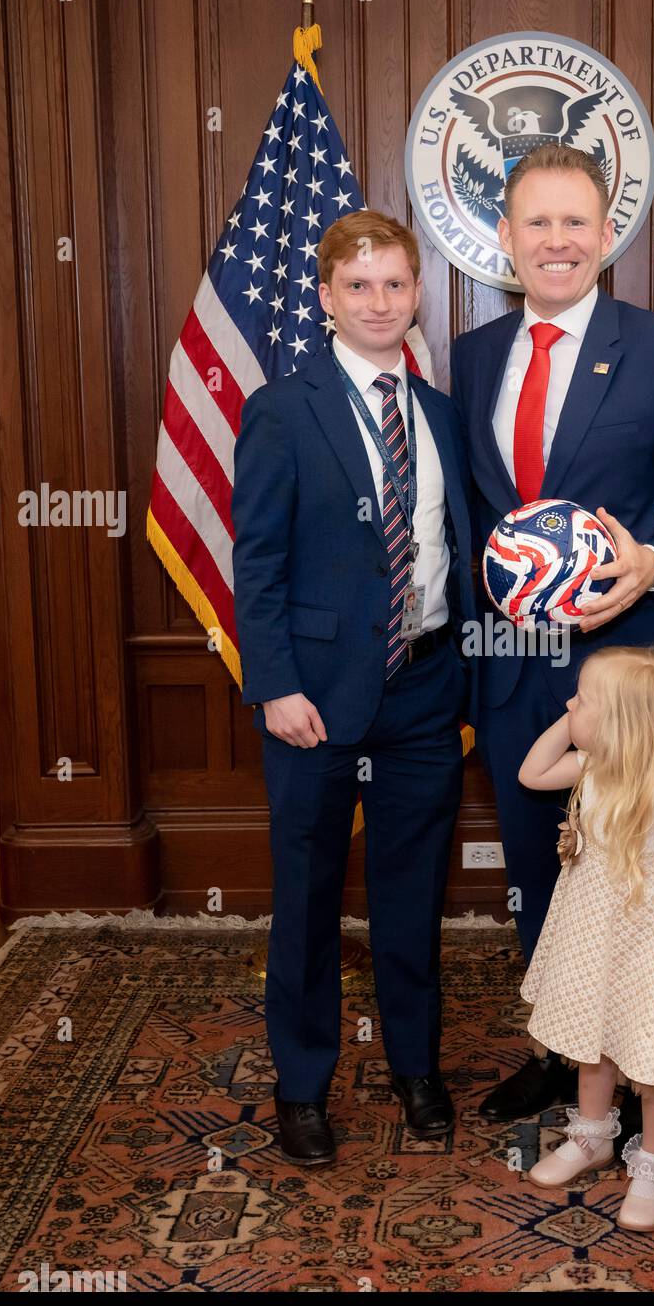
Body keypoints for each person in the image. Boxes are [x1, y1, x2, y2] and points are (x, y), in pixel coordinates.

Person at [450, 143, 654, 1129]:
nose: (556, 241)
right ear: (503, 238)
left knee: (639, 882)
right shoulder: (469, 358)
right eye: (535, 222)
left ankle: (647, 1069)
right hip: (509, 676)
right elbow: (468, 515)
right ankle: (557, 1047)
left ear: (607, 233)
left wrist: (653, 563)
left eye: (574, 222)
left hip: (627, 673)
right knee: (540, 872)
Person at [232, 210, 477, 1163]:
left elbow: (454, 550)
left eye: (396, 284)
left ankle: (418, 1071)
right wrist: (276, 686)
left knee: (413, 895)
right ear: (327, 299)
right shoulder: (284, 409)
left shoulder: (440, 414)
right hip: (314, 699)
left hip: (423, 690)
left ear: (418, 296)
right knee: (306, 897)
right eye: (359, 285)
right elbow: (255, 563)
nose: (380, 301)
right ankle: (302, 1086)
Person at [517, 646, 654, 1231]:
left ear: (623, 725)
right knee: (593, 1043)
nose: (568, 703)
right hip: (594, 943)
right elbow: (531, 773)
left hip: (648, 952)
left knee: (653, 1063)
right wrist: (577, 719)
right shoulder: (596, 767)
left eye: (582, 699)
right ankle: (592, 1138)